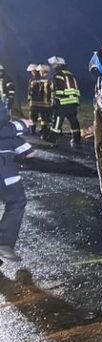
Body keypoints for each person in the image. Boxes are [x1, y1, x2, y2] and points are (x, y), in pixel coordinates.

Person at [0, 101, 33, 262]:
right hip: (6, 174)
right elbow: (28, 153)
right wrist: (20, 125)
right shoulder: (9, 133)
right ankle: (4, 243)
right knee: (16, 202)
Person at [48, 56, 82, 147]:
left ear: (58, 65)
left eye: (54, 64)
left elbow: (56, 91)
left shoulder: (57, 75)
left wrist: (54, 102)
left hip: (62, 103)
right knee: (74, 121)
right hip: (73, 103)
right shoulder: (71, 74)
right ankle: (76, 140)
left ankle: (52, 141)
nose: (52, 66)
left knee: (57, 122)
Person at [28, 64, 54, 139]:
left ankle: (44, 132)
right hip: (39, 102)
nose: (39, 72)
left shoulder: (46, 79)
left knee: (45, 118)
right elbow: (30, 91)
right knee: (39, 117)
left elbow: (51, 91)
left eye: (40, 71)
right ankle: (38, 131)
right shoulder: (37, 79)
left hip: (44, 103)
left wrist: (52, 100)